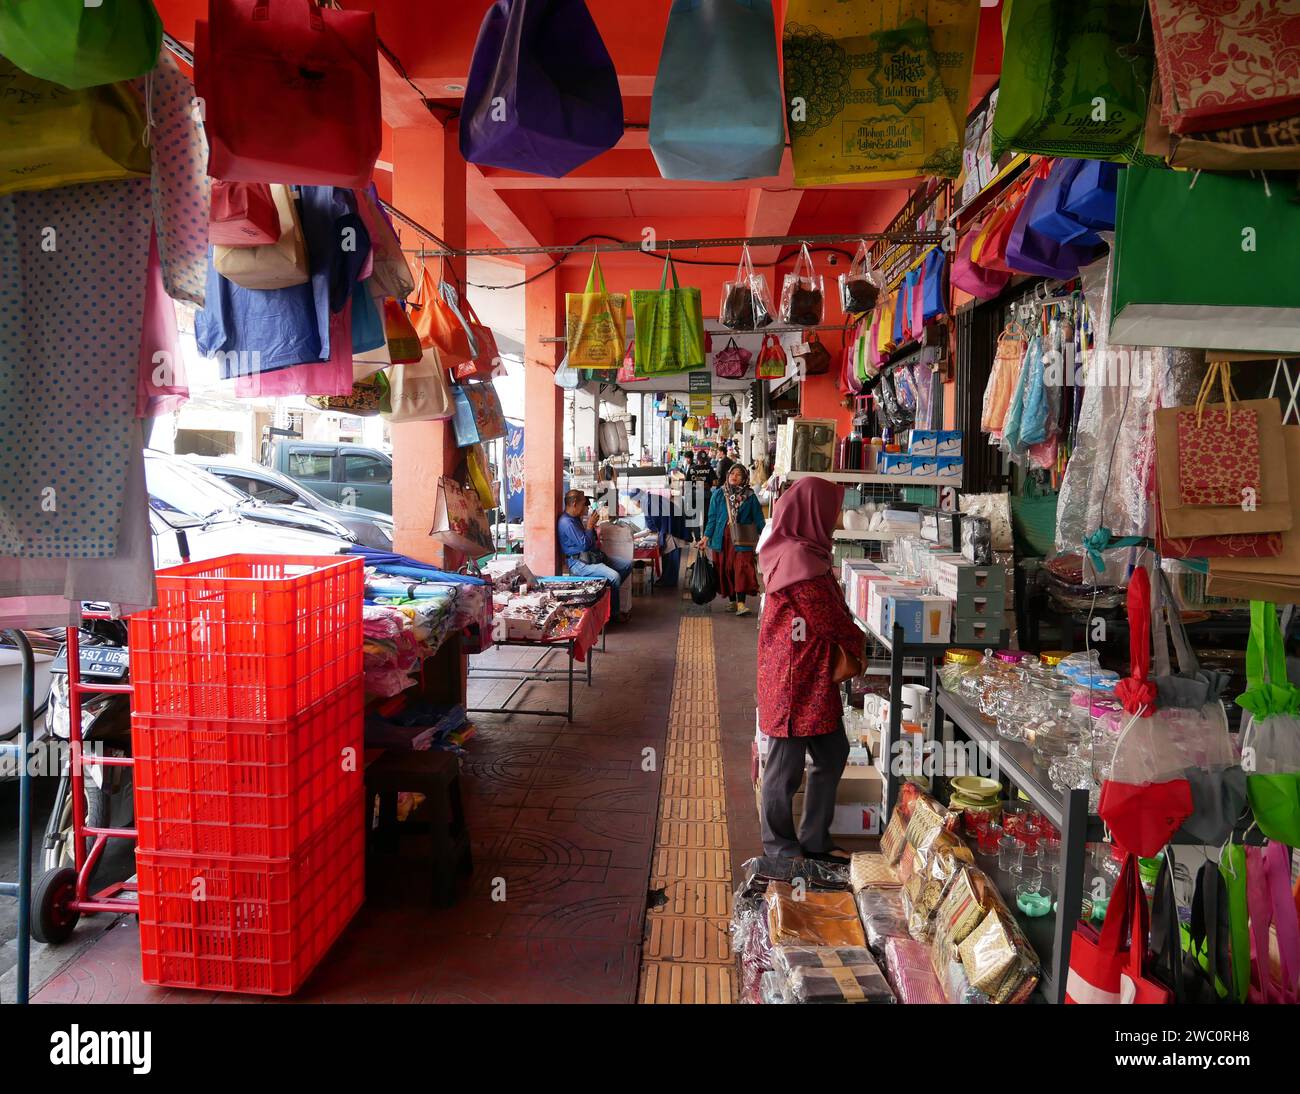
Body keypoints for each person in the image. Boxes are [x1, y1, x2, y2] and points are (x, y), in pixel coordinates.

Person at [754, 477, 864, 862]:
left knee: (833, 751)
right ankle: (780, 848)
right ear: (812, 513)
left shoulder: (799, 550)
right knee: (784, 767)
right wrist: (858, 641)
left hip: (809, 675)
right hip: (795, 679)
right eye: (831, 512)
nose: (835, 521)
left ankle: (815, 838)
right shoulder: (801, 561)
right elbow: (826, 618)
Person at [701, 464, 765, 616]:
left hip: (742, 539)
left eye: (738, 475)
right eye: (732, 473)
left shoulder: (750, 496)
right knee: (726, 569)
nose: (734, 477)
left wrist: (767, 537)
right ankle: (732, 601)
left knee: (741, 568)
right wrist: (706, 537)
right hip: (722, 539)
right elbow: (712, 518)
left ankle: (741, 603)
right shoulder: (718, 493)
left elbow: (759, 518)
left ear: (744, 478)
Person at [558, 489, 632, 589]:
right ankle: (611, 601)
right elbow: (585, 545)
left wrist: (591, 527)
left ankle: (608, 591)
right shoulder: (567, 522)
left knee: (627, 565)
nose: (586, 507)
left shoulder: (575, 518)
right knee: (614, 577)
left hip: (590, 557)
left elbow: (591, 541)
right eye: (583, 504)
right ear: (575, 503)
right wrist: (589, 525)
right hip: (578, 564)